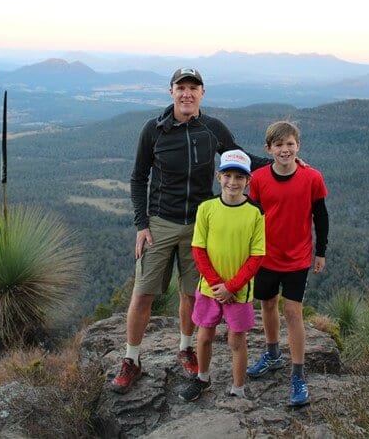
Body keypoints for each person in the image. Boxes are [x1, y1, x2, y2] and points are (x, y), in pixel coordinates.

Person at [112, 67, 271, 394]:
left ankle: (186, 348)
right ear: (171, 92)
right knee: (143, 293)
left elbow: (242, 159)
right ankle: (132, 359)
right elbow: (138, 177)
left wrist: (286, 162)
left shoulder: (213, 129)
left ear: (202, 93)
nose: (187, 93)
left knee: (190, 293)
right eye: (181, 87)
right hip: (160, 223)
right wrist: (141, 224)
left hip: (201, 225)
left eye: (193, 88)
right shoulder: (153, 130)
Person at [246, 121, 329, 407]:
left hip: (297, 257)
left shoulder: (312, 178)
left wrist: (321, 251)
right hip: (266, 256)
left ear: (299, 146)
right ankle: (272, 355)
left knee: (293, 312)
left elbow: (321, 216)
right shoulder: (257, 179)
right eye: (279, 145)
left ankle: (298, 375)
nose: (285, 150)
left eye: (290, 144)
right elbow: (253, 217)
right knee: (267, 305)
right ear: (268, 149)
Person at [179, 149, 265, 402]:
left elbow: (257, 256)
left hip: (239, 291)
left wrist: (232, 286)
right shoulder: (206, 208)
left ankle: (238, 388)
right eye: (228, 175)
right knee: (204, 335)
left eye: (239, 177)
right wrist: (218, 285)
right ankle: (202, 379)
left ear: (248, 181)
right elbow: (199, 249)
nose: (233, 182)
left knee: (237, 340)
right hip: (209, 288)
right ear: (219, 176)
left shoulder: (255, 213)